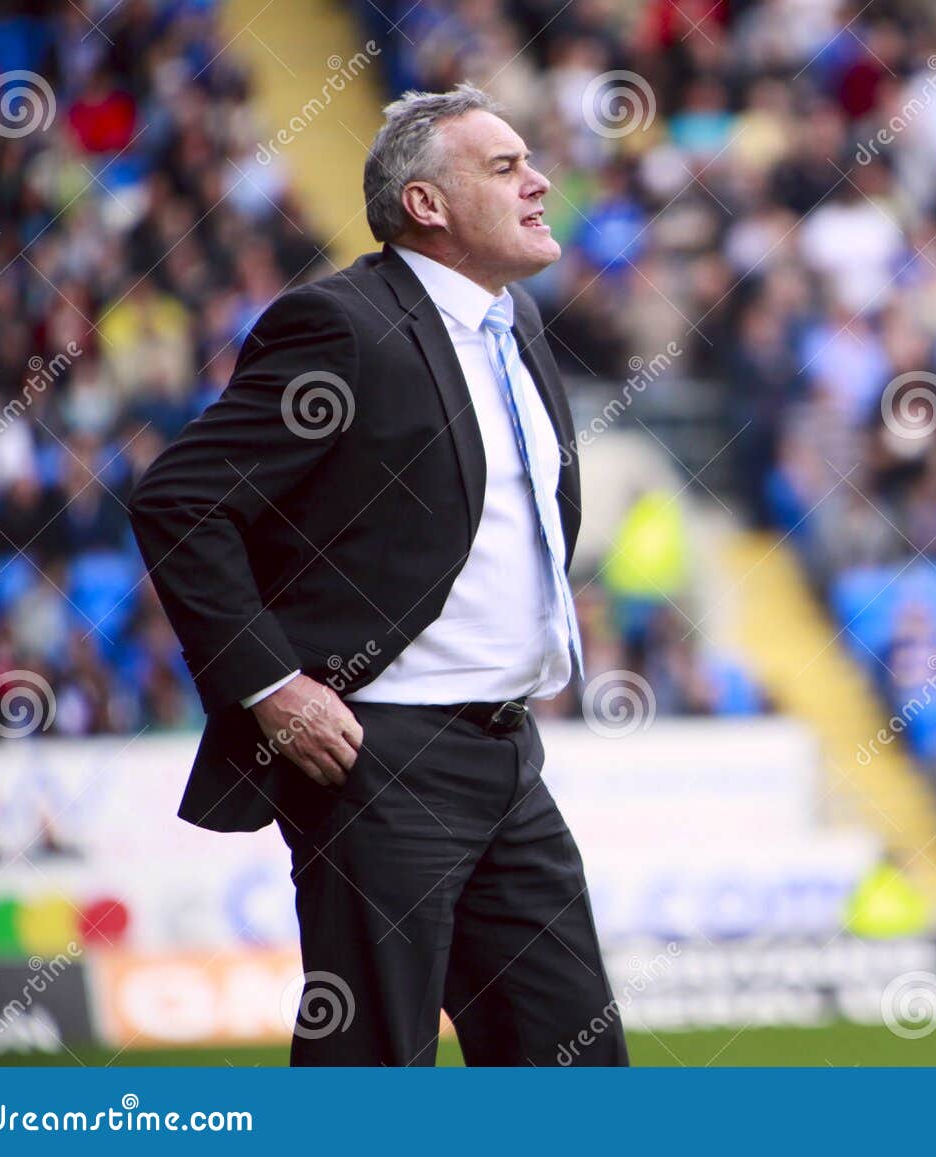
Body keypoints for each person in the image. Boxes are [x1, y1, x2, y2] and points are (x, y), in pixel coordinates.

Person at [127, 85, 625, 1066]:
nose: (539, 182)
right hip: (378, 758)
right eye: (504, 166)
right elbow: (178, 498)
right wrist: (271, 686)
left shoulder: (515, 320)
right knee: (370, 1067)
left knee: (574, 1063)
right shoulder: (342, 324)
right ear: (427, 206)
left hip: (507, 755)